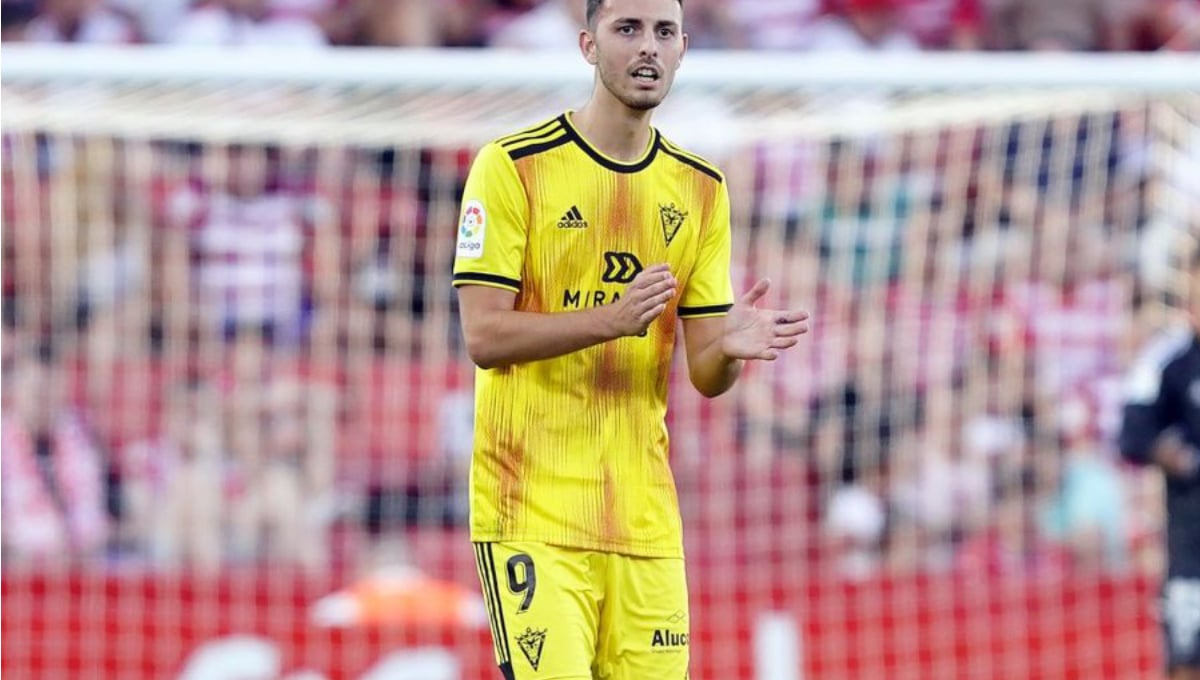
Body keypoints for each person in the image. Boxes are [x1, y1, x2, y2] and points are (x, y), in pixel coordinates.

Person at [451, 0, 809, 677]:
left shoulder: (701, 189)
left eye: (664, 32)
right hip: (530, 512)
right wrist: (609, 321)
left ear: (683, 50)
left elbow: (705, 374)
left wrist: (729, 351)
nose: (648, 46)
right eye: (628, 29)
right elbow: (484, 335)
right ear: (588, 45)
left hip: (644, 522)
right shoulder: (512, 166)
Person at [1119, 248, 1200, 680]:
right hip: (1192, 545)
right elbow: (1132, 436)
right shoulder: (1167, 361)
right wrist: (1167, 453)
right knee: (1185, 663)